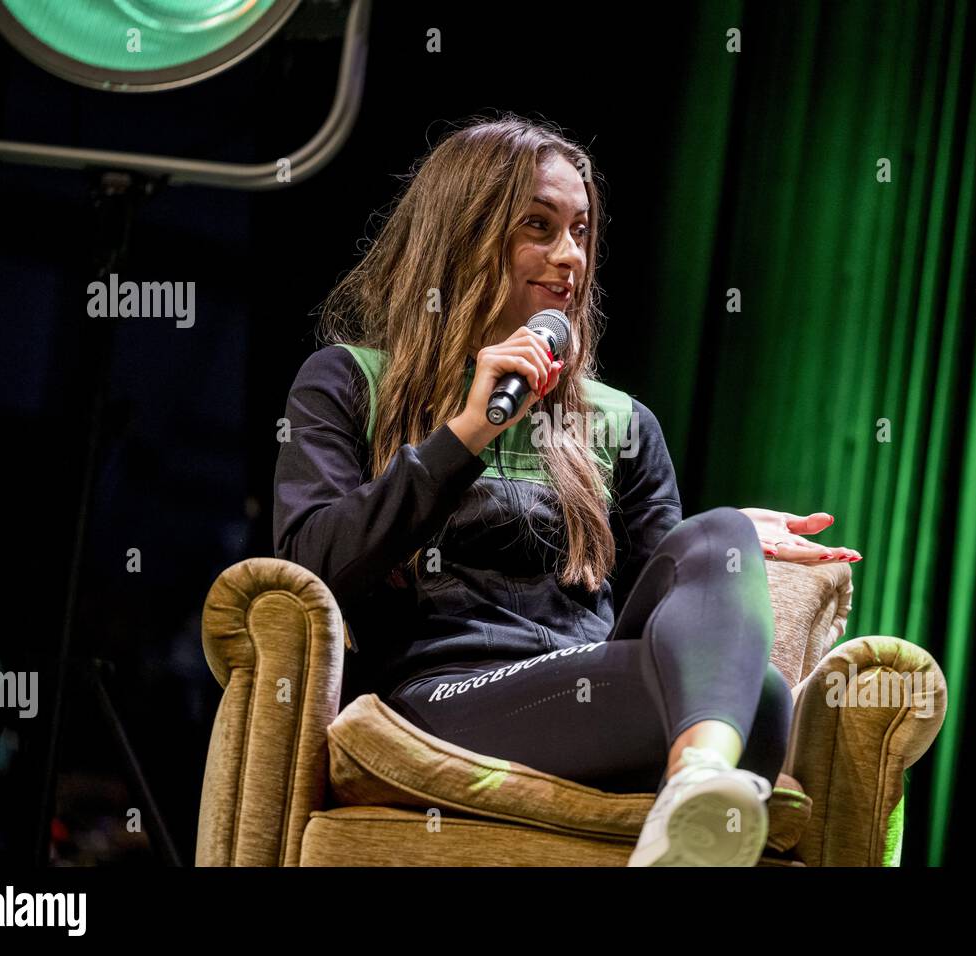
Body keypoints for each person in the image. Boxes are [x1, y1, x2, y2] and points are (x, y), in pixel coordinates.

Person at [273, 113, 862, 866]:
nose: (570, 256)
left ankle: (695, 786)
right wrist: (466, 433)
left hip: (592, 680)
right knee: (754, 700)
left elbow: (674, 602)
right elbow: (313, 564)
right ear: (463, 234)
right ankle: (694, 793)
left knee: (743, 627)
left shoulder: (621, 422)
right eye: (539, 227)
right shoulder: (350, 382)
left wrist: (726, 547)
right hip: (445, 694)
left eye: (581, 230)